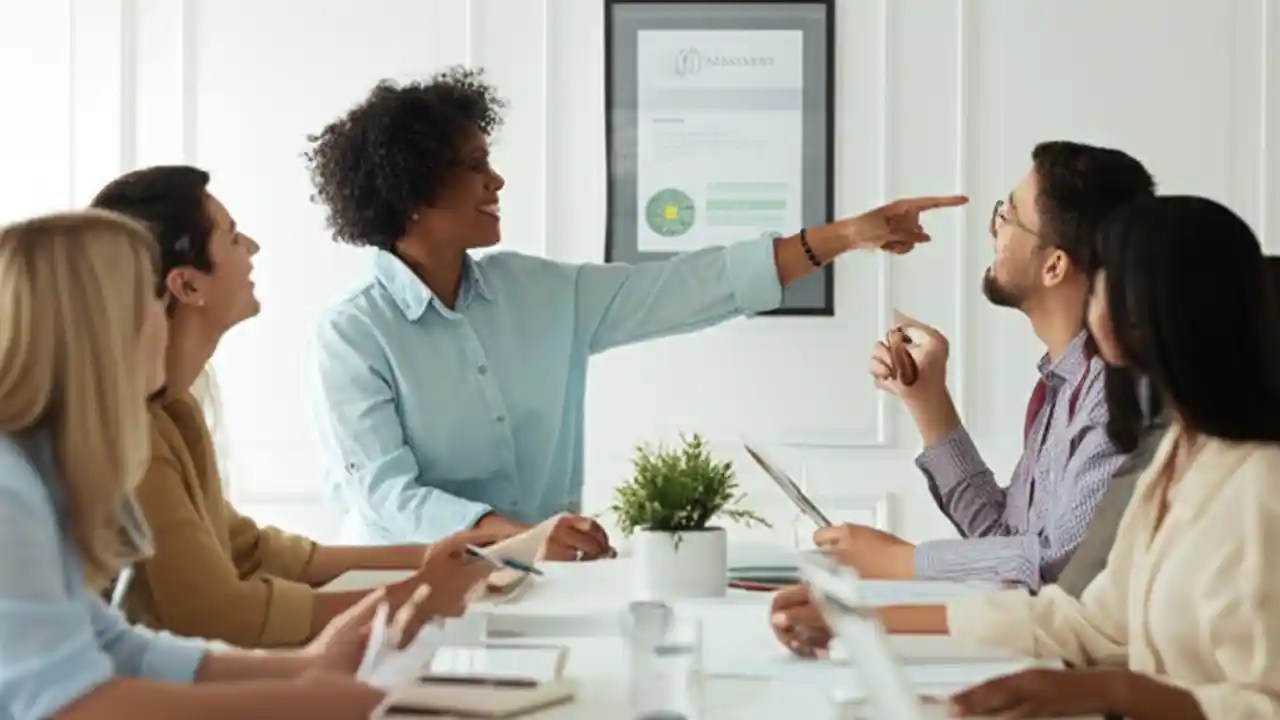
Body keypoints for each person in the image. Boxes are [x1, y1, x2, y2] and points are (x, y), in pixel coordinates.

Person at [305, 67, 968, 553]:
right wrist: (519, 537)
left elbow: (690, 286)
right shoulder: (354, 332)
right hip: (403, 587)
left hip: (543, 577)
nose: (496, 179)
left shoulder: (537, 293)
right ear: (411, 190)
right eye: (474, 165)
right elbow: (386, 494)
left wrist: (846, 235)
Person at [774, 195, 1280, 718]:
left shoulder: (1261, 485)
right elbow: (1090, 622)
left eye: (1100, 282)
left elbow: (1050, 565)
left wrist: (1116, 692)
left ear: (1145, 310)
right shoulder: (1178, 456)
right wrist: (864, 621)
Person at [0, 210, 476, 719]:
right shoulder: (10, 489)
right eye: (153, 300)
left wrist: (309, 667)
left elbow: (118, 648)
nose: (164, 318)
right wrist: (305, 700)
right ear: (105, 327)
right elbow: (72, 706)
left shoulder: (49, 467)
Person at [92, 166, 492, 648]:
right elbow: (216, 614)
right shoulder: (131, 433)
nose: (253, 248)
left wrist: (434, 558)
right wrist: (417, 596)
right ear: (188, 286)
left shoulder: (174, 411)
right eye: (233, 237)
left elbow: (253, 552)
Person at [810, 141, 1155, 588]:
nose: (994, 227)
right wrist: (928, 402)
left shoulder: (1114, 394)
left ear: (1054, 266)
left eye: (1008, 215)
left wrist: (903, 561)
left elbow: (1058, 567)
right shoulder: (1065, 385)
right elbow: (1004, 541)